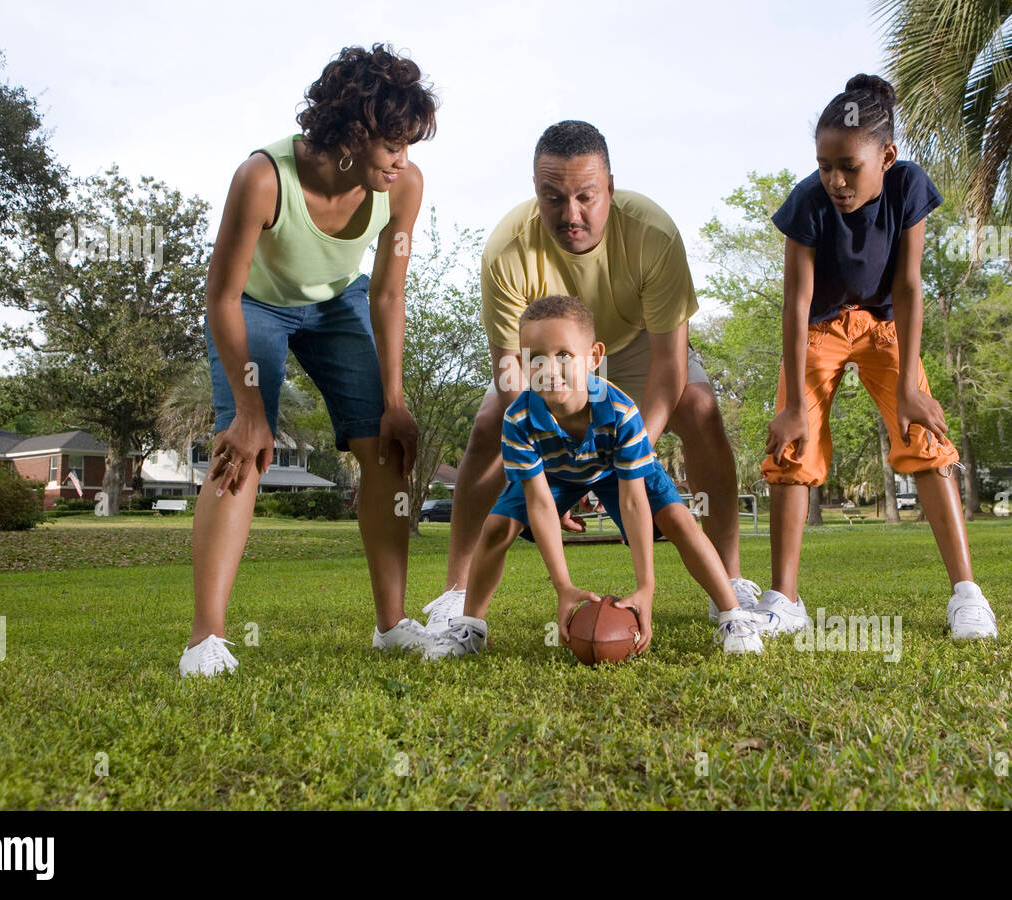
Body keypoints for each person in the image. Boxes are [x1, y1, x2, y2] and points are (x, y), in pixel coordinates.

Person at [421, 120, 765, 633]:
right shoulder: (507, 248)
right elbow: (513, 371)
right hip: (547, 359)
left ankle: (730, 585)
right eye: (552, 197)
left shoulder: (654, 233)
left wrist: (620, 459)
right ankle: (456, 592)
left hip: (636, 346)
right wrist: (555, 467)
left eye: (586, 196)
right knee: (491, 418)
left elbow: (670, 367)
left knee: (698, 406)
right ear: (536, 192)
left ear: (610, 187)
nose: (571, 214)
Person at [180, 44, 440, 677]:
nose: (403, 159)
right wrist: (248, 410)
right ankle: (205, 639)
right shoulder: (264, 179)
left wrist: (397, 402)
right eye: (392, 143)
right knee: (241, 446)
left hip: (337, 304)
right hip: (255, 306)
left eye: (409, 143)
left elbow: (386, 292)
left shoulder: (401, 186)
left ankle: (392, 625)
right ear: (352, 134)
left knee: (384, 441)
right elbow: (220, 297)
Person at [760, 73, 998, 640]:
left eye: (849, 166)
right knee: (793, 445)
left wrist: (912, 389)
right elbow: (795, 304)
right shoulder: (808, 202)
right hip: (819, 328)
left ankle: (967, 594)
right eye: (824, 165)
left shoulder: (908, 185)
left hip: (887, 325)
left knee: (926, 439)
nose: (835, 180)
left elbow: (910, 285)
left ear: (887, 156)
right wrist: (794, 403)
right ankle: (785, 599)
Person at [425, 296, 765, 659]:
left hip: (616, 471)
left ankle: (734, 617)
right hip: (555, 476)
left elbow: (633, 499)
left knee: (679, 518)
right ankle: (469, 629)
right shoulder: (518, 419)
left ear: (594, 356)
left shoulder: (620, 411)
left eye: (564, 355)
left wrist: (645, 586)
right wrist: (563, 586)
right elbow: (540, 502)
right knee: (496, 527)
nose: (549, 368)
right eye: (536, 357)